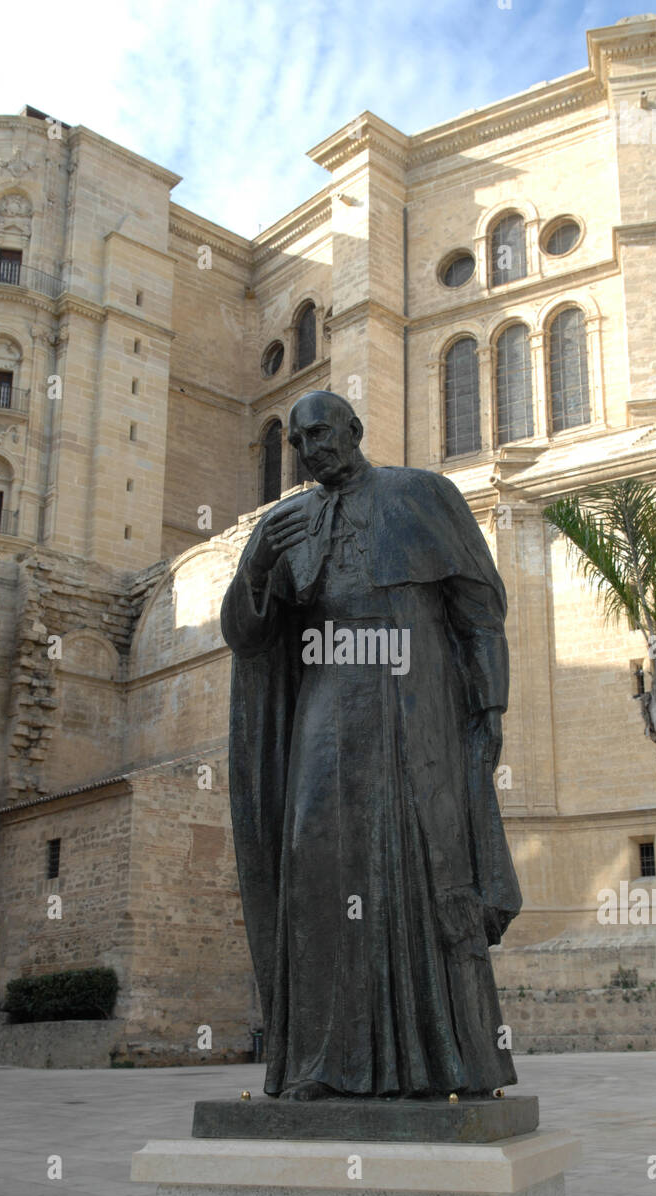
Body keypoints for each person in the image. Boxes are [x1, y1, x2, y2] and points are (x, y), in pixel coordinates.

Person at [221, 390, 521, 1100]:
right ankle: (323, 1062)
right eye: (296, 439)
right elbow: (247, 635)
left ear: (354, 429)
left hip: (416, 695)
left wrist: (488, 704)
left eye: (321, 431)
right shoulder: (287, 523)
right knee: (316, 863)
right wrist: (258, 559)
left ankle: (451, 1062)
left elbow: (479, 608)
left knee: (427, 860)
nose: (309, 447)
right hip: (326, 702)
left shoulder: (423, 494)